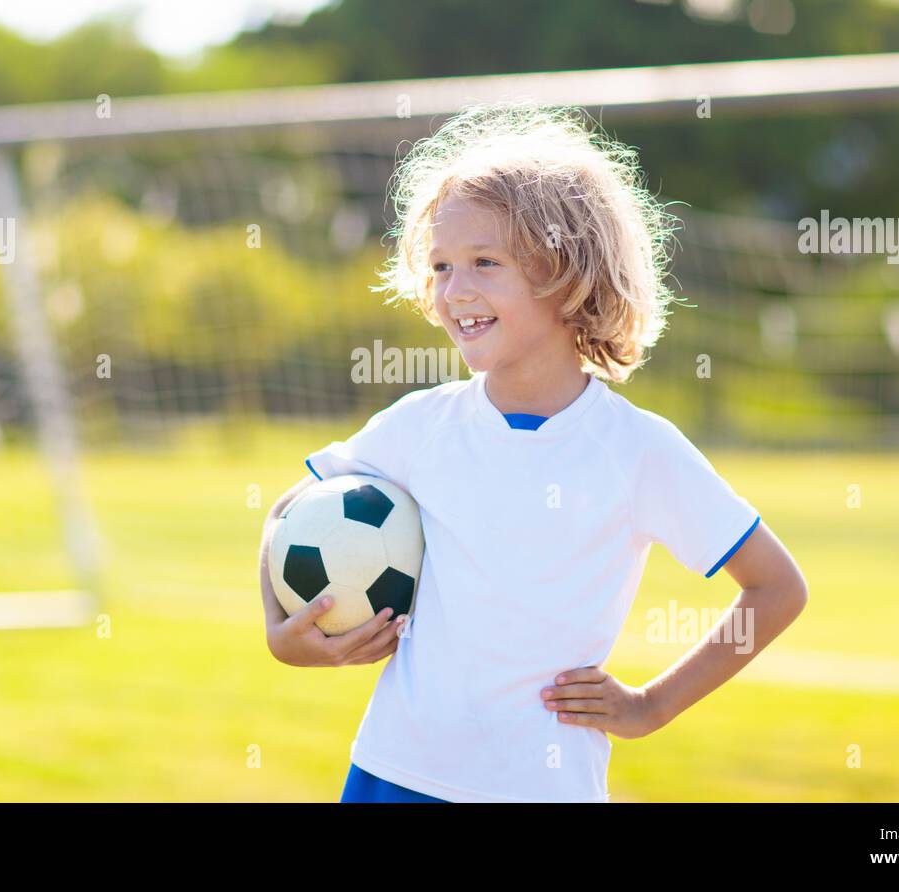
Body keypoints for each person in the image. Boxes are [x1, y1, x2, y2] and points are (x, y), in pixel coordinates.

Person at [260, 103, 808, 803]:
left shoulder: (636, 451)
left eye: (485, 263)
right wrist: (281, 632)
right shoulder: (421, 426)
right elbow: (288, 509)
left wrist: (650, 707)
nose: (455, 292)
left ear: (566, 271)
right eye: (441, 266)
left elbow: (777, 588)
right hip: (395, 774)